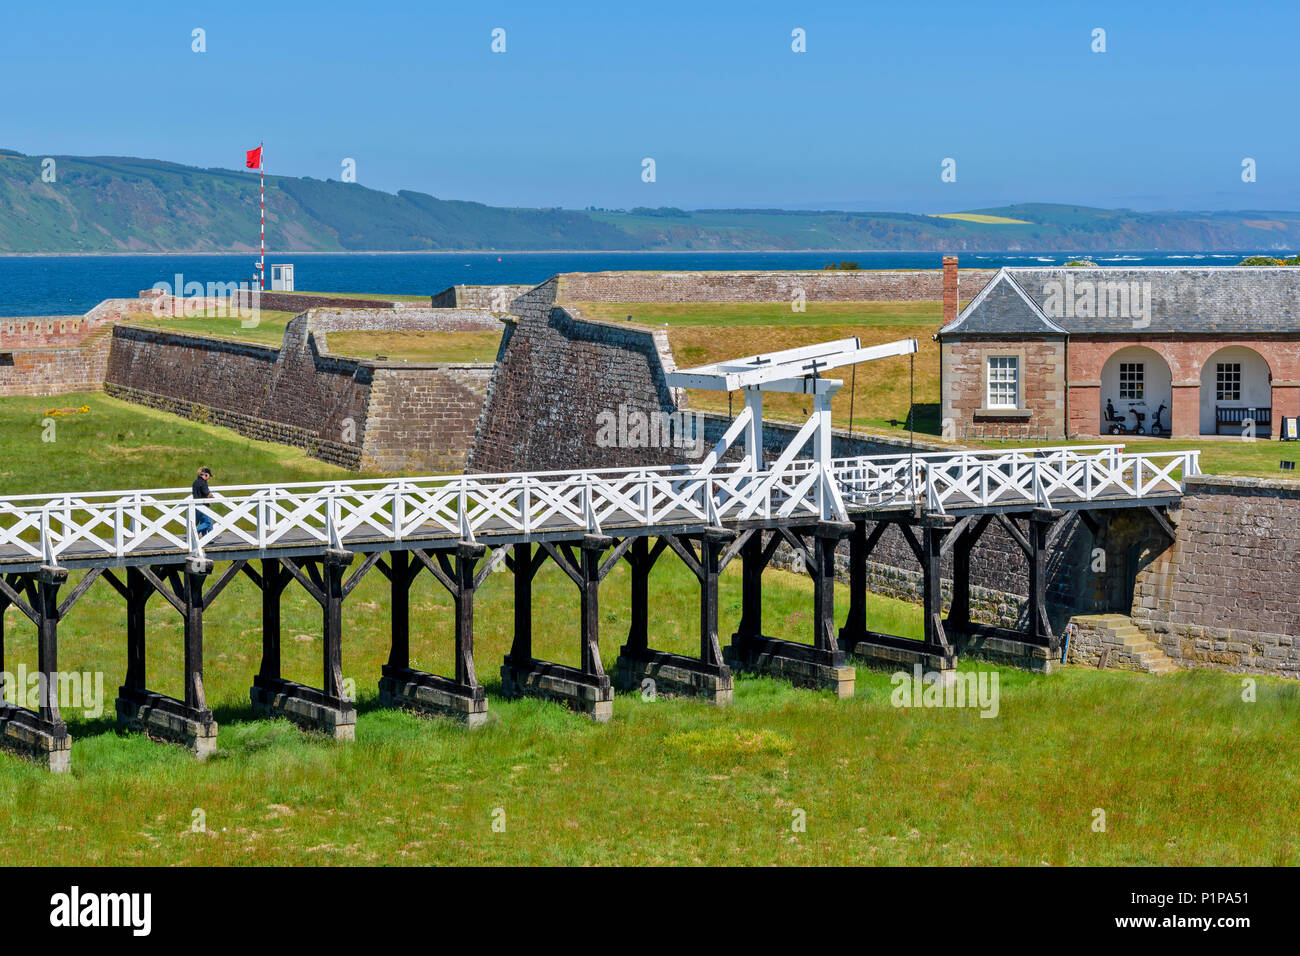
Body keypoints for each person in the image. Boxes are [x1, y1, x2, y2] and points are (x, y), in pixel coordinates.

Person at [193, 467, 214, 537]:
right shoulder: (203, 483)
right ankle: (195, 532)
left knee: (202, 522)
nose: (209, 478)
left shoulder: (195, 482)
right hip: (203, 505)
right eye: (209, 476)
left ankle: (207, 537)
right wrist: (212, 497)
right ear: (206, 475)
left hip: (196, 505)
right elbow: (207, 493)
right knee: (208, 523)